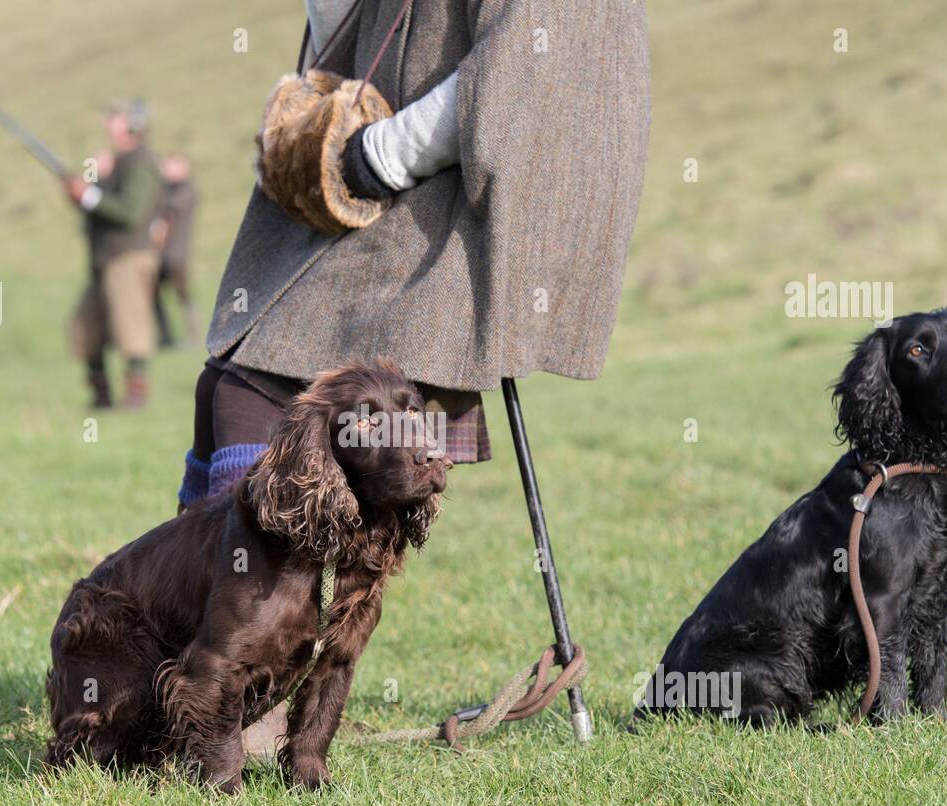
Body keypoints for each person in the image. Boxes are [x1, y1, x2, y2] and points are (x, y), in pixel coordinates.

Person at [177, 0, 650, 506]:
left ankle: (251, 571)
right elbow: (347, 37)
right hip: (408, 193)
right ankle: (199, 581)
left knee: (257, 396)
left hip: (465, 206)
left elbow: (527, 71)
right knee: (222, 391)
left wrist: (381, 155)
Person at [63, 99, 163, 409]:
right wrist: (87, 190)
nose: (109, 123)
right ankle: (100, 395)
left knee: (130, 327)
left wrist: (90, 194)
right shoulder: (120, 162)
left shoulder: (141, 162)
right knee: (86, 327)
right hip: (106, 260)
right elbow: (100, 208)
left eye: (116, 118)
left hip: (128, 258)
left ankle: (135, 396)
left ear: (132, 124)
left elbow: (131, 212)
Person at [150, 152, 200, 349]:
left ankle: (194, 335)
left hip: (177, 254)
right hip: (160, 254)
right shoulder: (167, 190)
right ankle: (165, 336)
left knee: (183, 295)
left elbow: (169, 208)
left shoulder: (187, 191)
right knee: (153, 294)